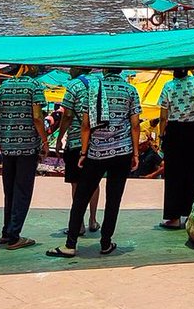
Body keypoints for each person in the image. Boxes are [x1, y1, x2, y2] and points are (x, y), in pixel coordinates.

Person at [46, 68, 141, 259]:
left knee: (81, 196)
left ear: (104, 69)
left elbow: (86, 124)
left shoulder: (94, 88)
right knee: (114, 199)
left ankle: (70, 244)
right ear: (121, 70)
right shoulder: (130, 90)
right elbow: (136, 124)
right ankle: (106, 243)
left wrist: (83, 152)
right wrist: (136, 153)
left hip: (96, 152)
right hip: (122, 152)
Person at [0, 65, 48, 249]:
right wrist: (45, 141)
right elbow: (37, 117)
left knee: (9, 191)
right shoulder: (34, 86)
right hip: (27, 147)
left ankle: (6, 232)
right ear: (29, 66)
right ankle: (14, 236)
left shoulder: (4, 86)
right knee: (22, 191)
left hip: (7, 146)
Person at [158, 67, 194, 228]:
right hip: (193, 130)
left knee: (173, 173)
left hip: (174, 130)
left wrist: (161, 136)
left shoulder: (168, 86)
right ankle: (190, 213)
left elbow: (163, 116)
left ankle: (173, 217)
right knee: (192, 171)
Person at [56, 67, 100, 234]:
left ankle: (78, 224)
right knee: (94, 183)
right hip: (96, 142)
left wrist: (60, 138)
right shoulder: (98, 82)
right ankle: (93, 220)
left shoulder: (74, 85)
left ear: (78, 67)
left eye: (71, 67)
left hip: (76, 141)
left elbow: (67, 115)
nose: (68, 70)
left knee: (76, 183)